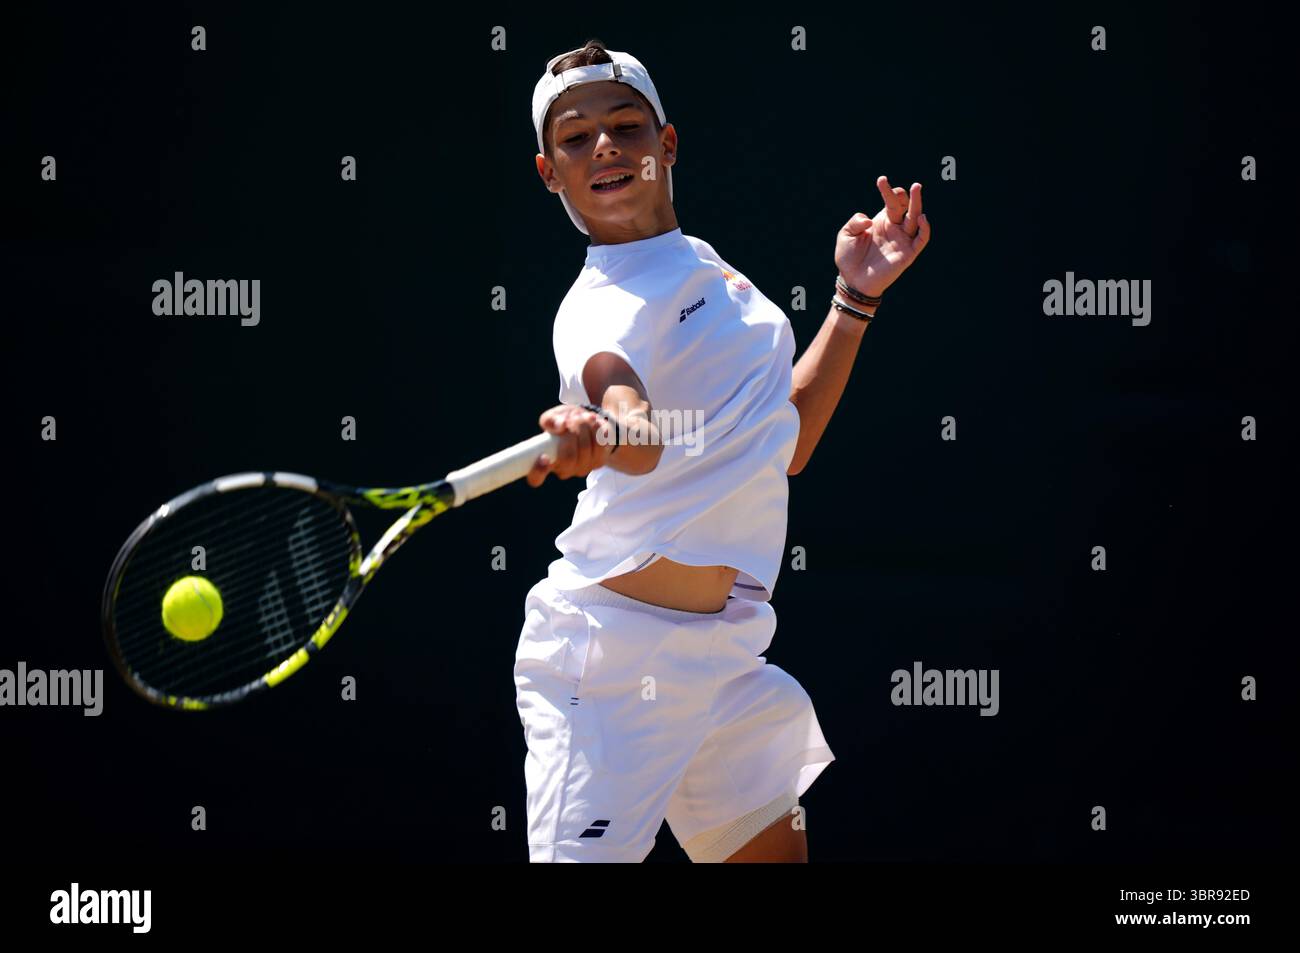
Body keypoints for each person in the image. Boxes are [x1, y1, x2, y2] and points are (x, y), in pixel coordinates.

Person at [514, 40, 931, 863]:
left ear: (666, 144)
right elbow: (633, 432)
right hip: (607, 668)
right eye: (575, 138)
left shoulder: (713, 278)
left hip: (724, 653)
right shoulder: (599, 310)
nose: (604, 146)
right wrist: (604, 433)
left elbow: (788, 441)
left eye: (626, 125)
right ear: (549, 173)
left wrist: (854, 300)